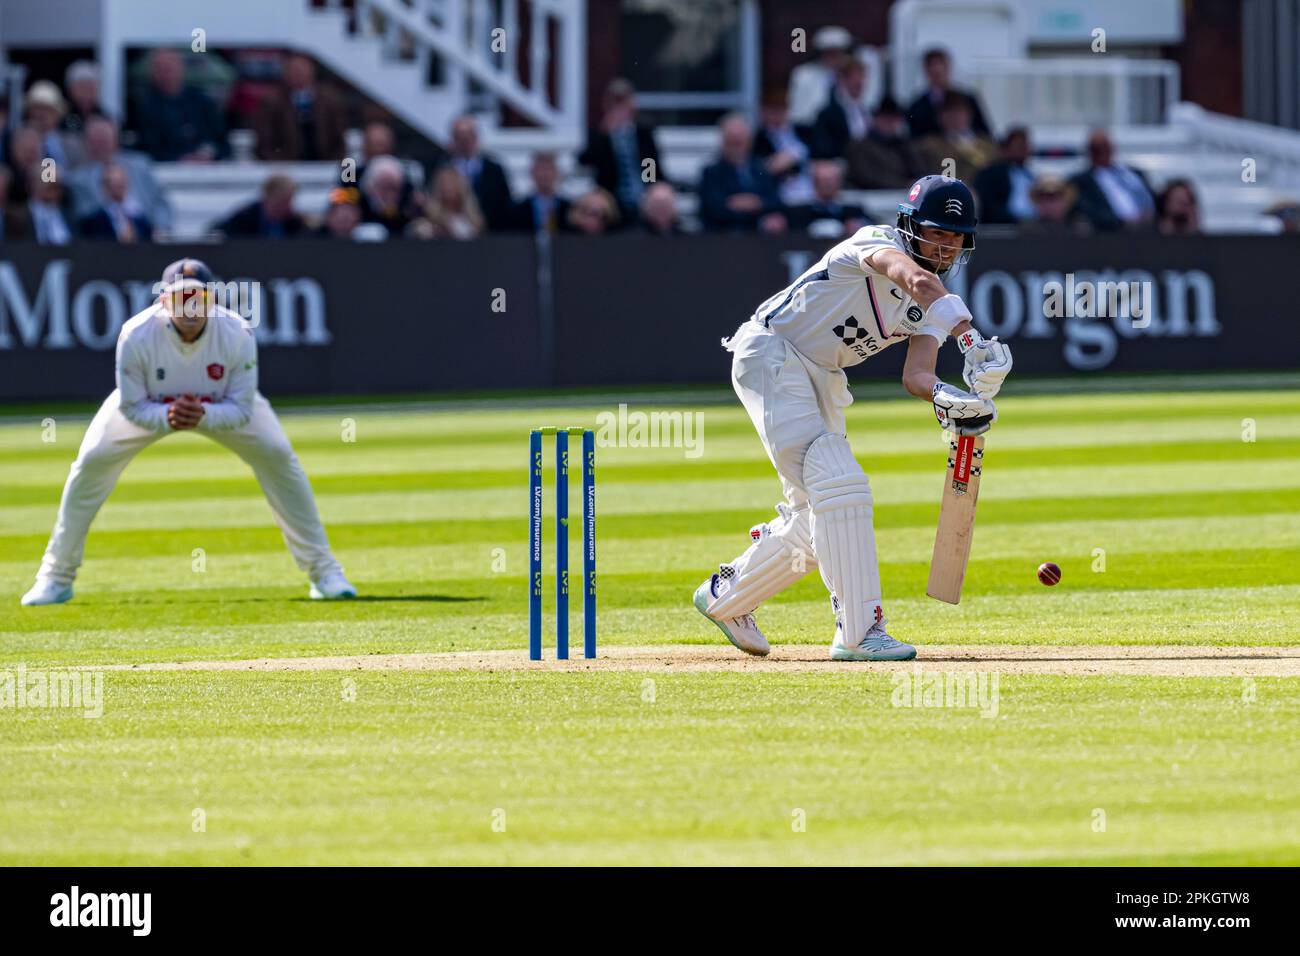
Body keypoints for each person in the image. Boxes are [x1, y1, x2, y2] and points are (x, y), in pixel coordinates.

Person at [692, 175, 1011, 662]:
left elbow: (917, 375)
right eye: (936, 233)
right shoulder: (875, 244)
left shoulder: (934, 304)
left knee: (823, 516)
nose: (945, 248)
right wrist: (971, 339)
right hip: (774, 353)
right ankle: (860, 632)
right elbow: (916, 281)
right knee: (842, 485)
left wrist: (950, 397)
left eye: (955, 238)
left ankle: (726, 595)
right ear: (909, 226)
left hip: (823, 376)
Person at [19, 258, 356, 607]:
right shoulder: (135, 334)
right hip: (151, 405)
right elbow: (131, 406)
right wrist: (168, 414)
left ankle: (324, 572)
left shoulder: (238, 333)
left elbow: (242, 408)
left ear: (214, 301)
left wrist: (204, 414)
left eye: (199, 297)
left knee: (279, 458)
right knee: (90, 462)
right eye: (182, 298)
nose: (191, 307)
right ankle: (56, 578)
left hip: (221, 404)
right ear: (163, 301)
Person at [67, 117, 173, 234]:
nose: (101, 145)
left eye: (104, 138)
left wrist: (160, 230)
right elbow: (84, 216)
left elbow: (160, 203)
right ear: (86, 143)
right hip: (105, 239)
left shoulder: (140, 165)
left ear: (115, 139)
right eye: (96, 140)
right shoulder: (79, 179)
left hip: (147, 236)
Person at [578, 79, 661, 222]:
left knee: (659, 197)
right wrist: (604, 134)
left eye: (623, 102)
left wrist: (648, 188)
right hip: (610, 194)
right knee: (597, 205)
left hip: (642, 192)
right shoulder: (599, 135)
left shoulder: (642, 133)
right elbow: (585, 160)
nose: (619, 108)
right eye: (615, 102)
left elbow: (650, 163)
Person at [133, 49, 227, 161]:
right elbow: (148, 147)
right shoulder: (146, 106)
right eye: (161, 69)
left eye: (170, 69)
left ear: (181, 69)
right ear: (153, 73)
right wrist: (180, 158)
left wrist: (208, 153)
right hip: (166, 169)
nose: (166, 74)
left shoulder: (201, 100)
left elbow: (219, 138)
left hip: (207, 167)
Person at [699, 114, 786, 234]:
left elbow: (776, 202)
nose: (735, 148)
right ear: (723, 142)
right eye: (731, 143)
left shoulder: (762, 169)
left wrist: (756, 203)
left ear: (749, 142)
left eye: (738, 143)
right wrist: (755, 210)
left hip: (762, 239)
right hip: (724, 237)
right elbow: (713, 210)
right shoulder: (711, 172)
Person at [254, 53, 348, 161]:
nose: (298, 74)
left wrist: (333, 161)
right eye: (293, 70)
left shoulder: (330, 100)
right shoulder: (272, 101)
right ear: (285, 73)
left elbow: (339, 139)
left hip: (324, 162)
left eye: (302, 69)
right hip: (284, 164)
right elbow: (265, 141)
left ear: (312, 71)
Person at [1069, 129, 1156, 232]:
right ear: (1089, 151)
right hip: (1112, 233)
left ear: (1112, 148)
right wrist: (1124, 222)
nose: (1101, 152)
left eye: (1105, 147)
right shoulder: (1080, 181)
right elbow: (1087, 211)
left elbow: (1153, 197)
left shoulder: (1134, 173)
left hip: (1150, 227)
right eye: (1096, 148)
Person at [445, 114, 513, 230]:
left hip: (490, 235)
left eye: (469, 136)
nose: (465, 142)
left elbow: (504, 205)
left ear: (476, 138)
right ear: (454, 140)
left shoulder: (495, 171)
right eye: (460, 137)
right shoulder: (444, 169)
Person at [906, 48, 992, 139]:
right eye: (933, 71)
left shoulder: (968, 99)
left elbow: (983, 131)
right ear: (926, 70)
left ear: (949, 68)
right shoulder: (917, 106)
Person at [913, 94, 999, 185]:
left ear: (969, 114)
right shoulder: (929, 145)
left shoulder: (987, 143)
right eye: (950, 113)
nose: (956, 117)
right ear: (940, 117)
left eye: (960, 112)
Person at [845, 96, 922, 189]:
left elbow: (918, 171)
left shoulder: (904, 146)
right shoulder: (860, 147)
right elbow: (866, 177)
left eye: (893, 119)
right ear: (876, 119)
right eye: (885, 118)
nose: (889, 123)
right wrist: (903, 184)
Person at [788, 26, 855, 129]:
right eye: (829, 53)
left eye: (839, 52)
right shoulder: (804, 75)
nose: (835, 58)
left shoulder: (848, 76)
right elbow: (799, 114)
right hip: (814, 130)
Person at [753, 92, 813, 205]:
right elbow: (761, 168)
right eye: (772, 110)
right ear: (763, 112)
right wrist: (793, 156)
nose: (777, 115)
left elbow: (818, 152)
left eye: (781, 110)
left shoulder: (803, 131)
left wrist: (790, 157)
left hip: (809, 180)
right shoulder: (759, 139)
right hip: (780, 186)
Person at [787, 160, 868, 237]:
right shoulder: (798, 213)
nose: (828, 184)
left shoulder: (854, 212)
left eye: (832, 180)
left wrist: (859, 228)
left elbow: (872, 230)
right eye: (824, 180)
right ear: (814, 183)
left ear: (839, 182)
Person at [810, 60, 872, 159]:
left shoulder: (867, 112)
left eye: (861, 78)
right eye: (853, 79)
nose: (859, 82)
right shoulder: (827, 115)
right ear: (842, 80)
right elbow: (822, 149)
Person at [973, 127, 1035, 225]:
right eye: (1019, 146)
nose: (1024, 150)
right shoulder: (991, 174)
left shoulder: (1029, 175)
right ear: (1005, 149)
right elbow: (988, 205)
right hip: (1004, 226)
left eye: (1026, 146)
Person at [213, 174, 308, 238]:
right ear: (267, 196)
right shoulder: (244, 219)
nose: (286, 206)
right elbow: (216, 233)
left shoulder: (296, 223)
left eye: (289, 201)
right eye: (281, 201)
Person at [78, 164, 153, 242]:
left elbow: (148, 238)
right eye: (114, 185)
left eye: (121, 184)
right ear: (104, 187)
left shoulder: (139, 217)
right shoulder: (93, 221)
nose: (119, 189)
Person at [509, 152, 572, 234]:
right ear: (532, 173)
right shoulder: (517, 209)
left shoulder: (569, 208)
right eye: (540, 169)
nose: (544, 174)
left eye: (548, 169)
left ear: (557, 173)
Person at [6, 171, 74, 244]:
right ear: (31, 186)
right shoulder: (17, 218)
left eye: (57, 188)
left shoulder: (69, 216)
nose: (54, 194)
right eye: (49, 188)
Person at [420, 165, 485, 240]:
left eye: (451, 182)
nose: (447, 187)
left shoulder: (473, 219)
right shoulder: (430, 218)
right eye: (444, 183)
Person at [23, 80, 70, 169]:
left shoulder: (71, 143)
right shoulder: (18, 140)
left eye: (47, 109)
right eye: (37, 108)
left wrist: (62, 177)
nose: (41, 114)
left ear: (57, 113)